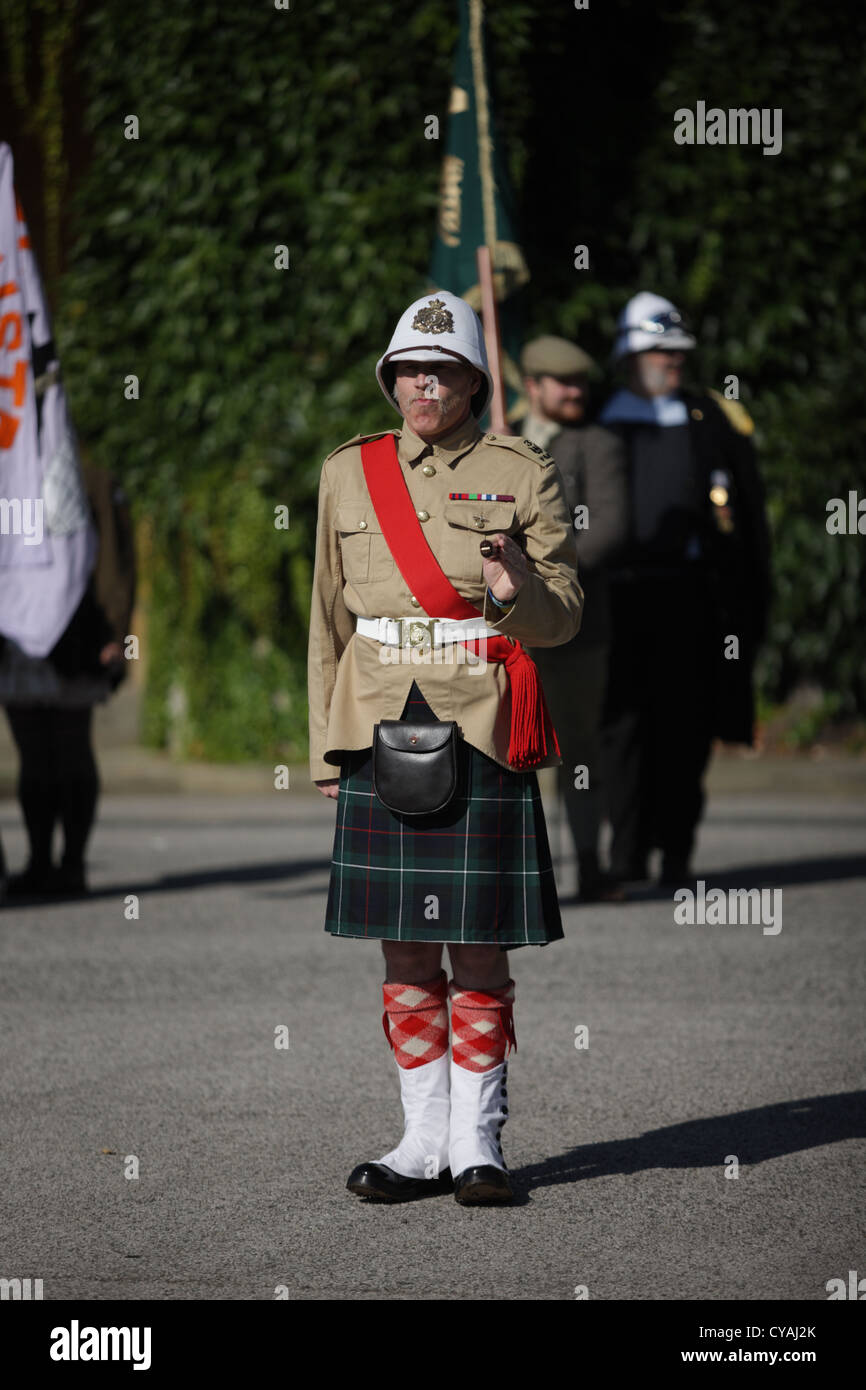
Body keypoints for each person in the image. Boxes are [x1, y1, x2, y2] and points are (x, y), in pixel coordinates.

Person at [308, 290, 582, 1205]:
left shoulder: (523, 469)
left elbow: (565, 616)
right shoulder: (348, 472)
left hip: (480, 721)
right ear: (391, 380)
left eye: (443, 370)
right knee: (403, 950)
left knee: (476, 946)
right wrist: (322, 747)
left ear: (472, 381)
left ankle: (479, 1141)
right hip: (377, 722)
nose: (425, 384)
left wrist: (512, 588)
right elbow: (324, 620)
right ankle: (420, 1138)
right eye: (410, 371)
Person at [598, 292, 771, 886]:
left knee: (685, 727)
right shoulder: (599, 417)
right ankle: (624, 856)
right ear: (630, 354)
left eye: (677, 351)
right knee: (620, 731)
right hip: (616, 597)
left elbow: (747, 520)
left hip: (692, 596)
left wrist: (748, 603)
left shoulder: (711, 419)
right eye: (657, 350)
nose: (671, 360)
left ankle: (676, 855)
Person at [518, 336, 628, 901]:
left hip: (575, 622)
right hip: (507, 624)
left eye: (581, 382)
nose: (576, 391)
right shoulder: (495, 437)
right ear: (531, 386)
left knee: (577, 749)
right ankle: (517, 872)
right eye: (563, 383)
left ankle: (588, 862)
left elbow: (608, 530)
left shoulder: (597, 443)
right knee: (508, 748)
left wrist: (538, 573)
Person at [0, 461, 135, 897]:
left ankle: (72, 864)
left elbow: (115, 555)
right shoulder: (8, 461)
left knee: (71, 747)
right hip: (15, 628)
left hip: (77, 630)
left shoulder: (87, 471)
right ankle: (39, 862)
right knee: (33, 754)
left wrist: (115, 628)